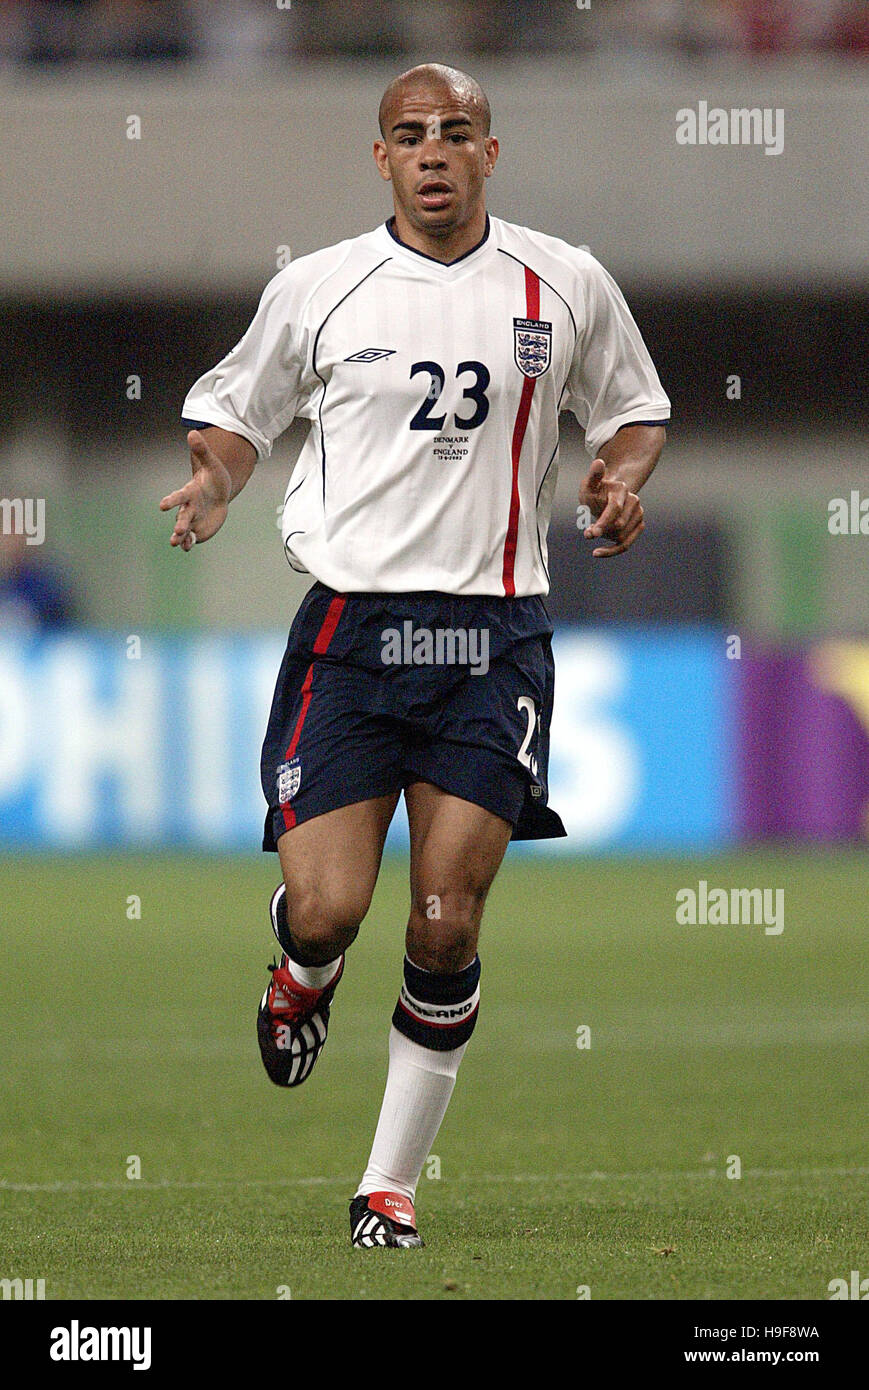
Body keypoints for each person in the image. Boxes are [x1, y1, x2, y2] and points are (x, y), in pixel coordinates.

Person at [162, 63, 669, 1249]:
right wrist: (213, 481)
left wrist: (621, 476)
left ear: (491, 152)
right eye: (408, 135)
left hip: (492, 638)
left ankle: (385, 1185)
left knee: (444, 920)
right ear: (379, 158)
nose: (432, 151)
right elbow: (236, 412)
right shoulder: (320, 286)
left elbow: (635, 407)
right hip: (351, 635)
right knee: (331, 908)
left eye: (454, 132)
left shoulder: (564, 280)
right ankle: (301, 972)